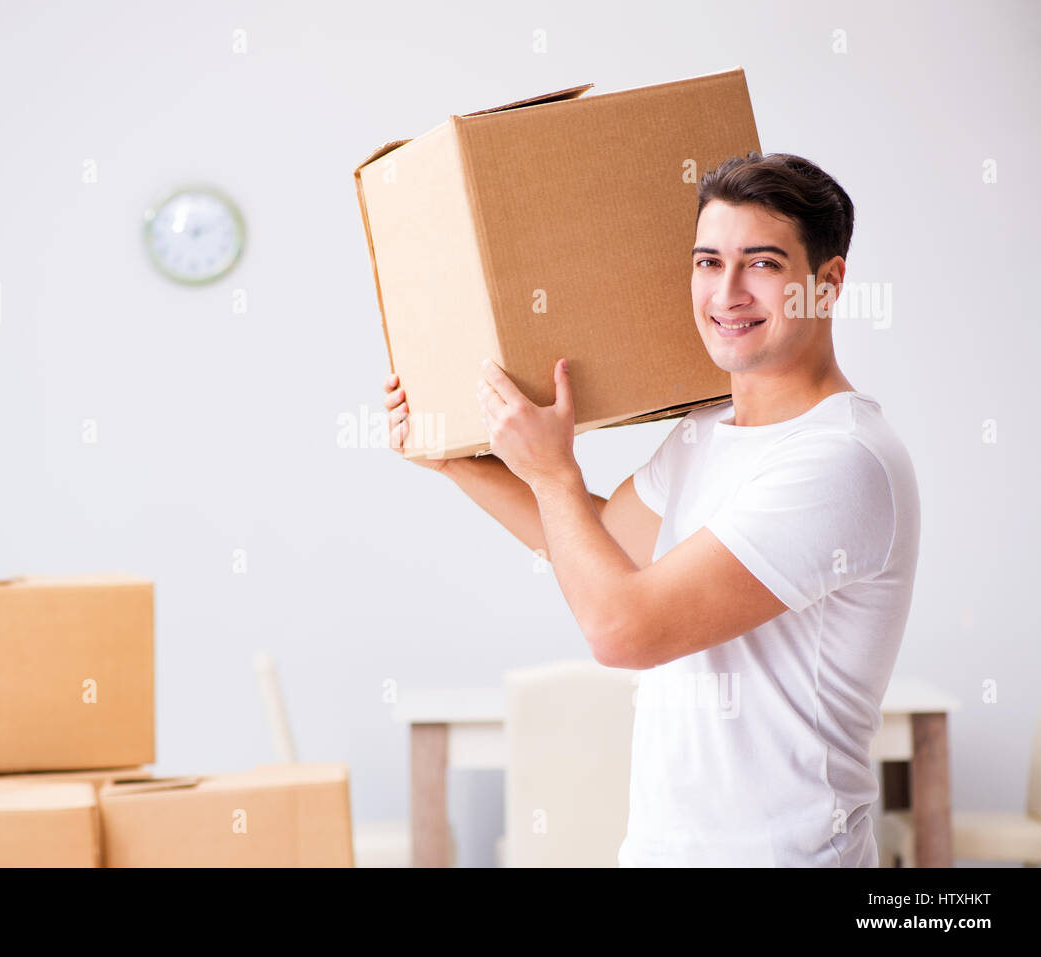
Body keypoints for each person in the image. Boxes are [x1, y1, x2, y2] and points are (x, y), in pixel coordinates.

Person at [380, 151, 920, 867]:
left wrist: (553, 471)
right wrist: (451, 457)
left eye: (761, 263)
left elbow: (622, 627)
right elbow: (599, 544)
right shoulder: (704, 433)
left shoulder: (841, 460)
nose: (726, 293)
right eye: (707, 262)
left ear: (827, 284)